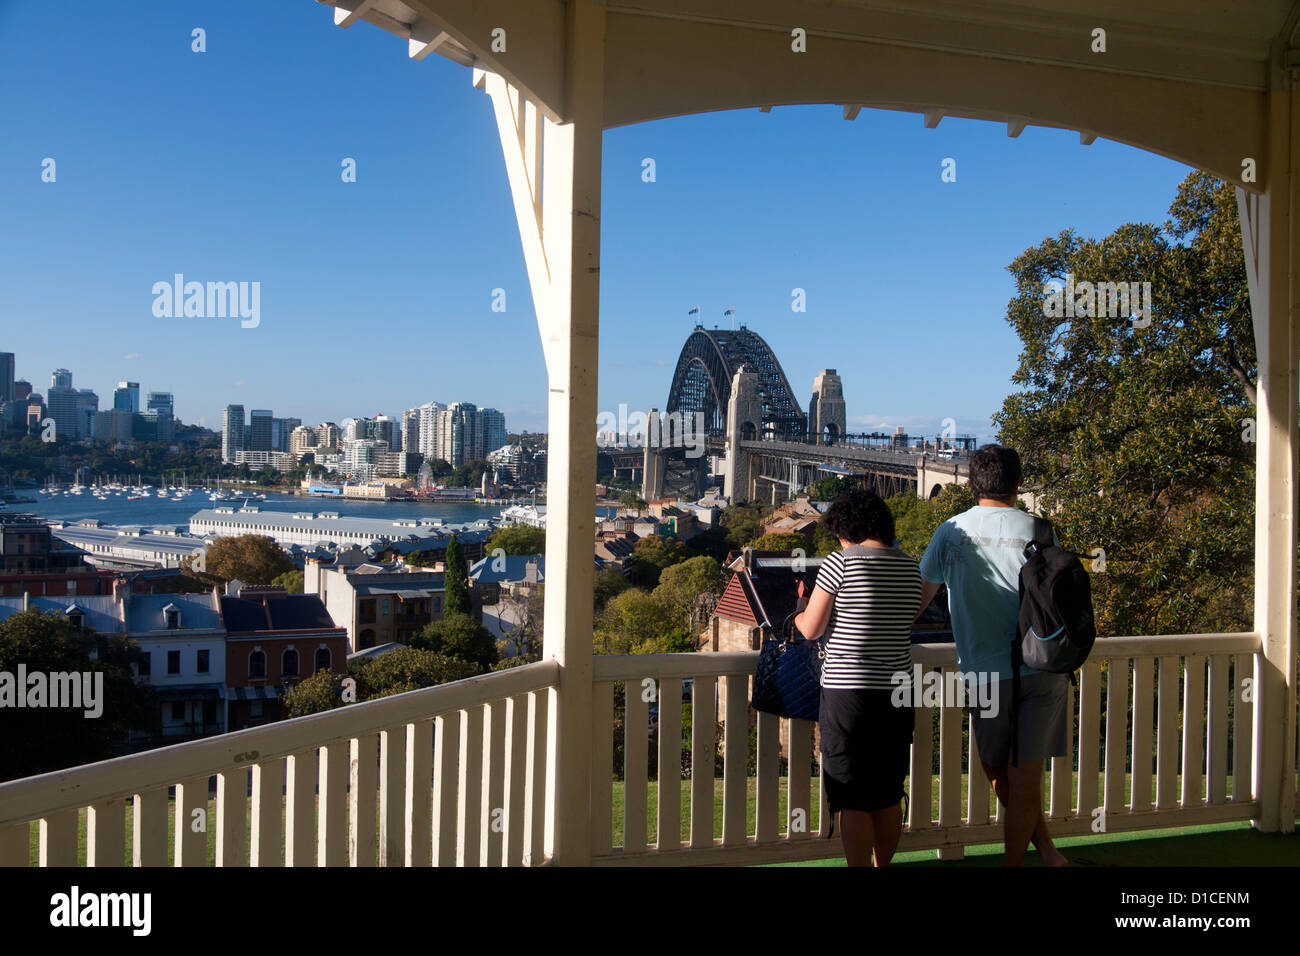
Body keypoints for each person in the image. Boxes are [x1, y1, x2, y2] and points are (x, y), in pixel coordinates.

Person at [914, 444, 1069, 867]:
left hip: (985, 673)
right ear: (1018, 484)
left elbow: (918, 600)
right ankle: (1049, 854)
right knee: (1024, 779)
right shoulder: (1041, 530)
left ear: (970, 484)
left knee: (1000, 772)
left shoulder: (951, 532)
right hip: (1043, 665)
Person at [794, 489, 921, 867]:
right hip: (897, 692)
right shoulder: (910, 567)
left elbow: (812, 629)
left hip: (849, 693)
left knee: (851, 792)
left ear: (845, 528)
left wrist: (801, 607)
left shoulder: (841, 563)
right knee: (886, 792)